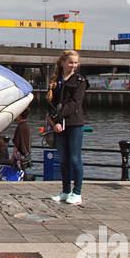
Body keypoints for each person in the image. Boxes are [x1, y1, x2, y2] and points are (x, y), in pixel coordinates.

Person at [47, 50, 87, 204]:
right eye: (70, 62)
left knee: (75, 158)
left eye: (76, 63)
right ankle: (65, 190)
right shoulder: (56, 80)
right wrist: (54, 120)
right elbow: (50, 102)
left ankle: (77, 192)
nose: (73, 66)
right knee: (63, 159)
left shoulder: (80, 80)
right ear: (63, 62)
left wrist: (58, 117)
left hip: (74, 123)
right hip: (58, 125)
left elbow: (75, 102)